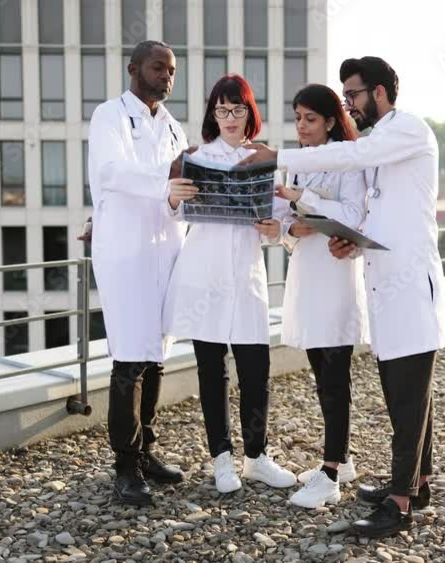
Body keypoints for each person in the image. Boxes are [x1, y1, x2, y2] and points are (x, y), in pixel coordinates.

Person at [238, 57, 445, 537]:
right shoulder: (379, 147)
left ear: (378, 92)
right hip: (383, 283)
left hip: (410, 286)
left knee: (409, 397)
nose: (348, 104)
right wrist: (350, 242)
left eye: (352, 94)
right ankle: (417, 484)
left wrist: (278, 156)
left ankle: (397, 506)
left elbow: (348, 157)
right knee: (408, 395)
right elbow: (374, 216)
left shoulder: (408, 131)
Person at [162, 74, 297, 495]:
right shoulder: (196, 156)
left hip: (246, 274)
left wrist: (274, 228)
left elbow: (277, 225)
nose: (230, 117)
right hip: (204, 274)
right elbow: (174, 214)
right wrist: (172, 197)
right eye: (222, 109)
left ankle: (256, 457)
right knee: (211, 369)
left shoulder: (262, 157)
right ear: (212, 114)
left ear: (249, 113)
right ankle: (222, 458)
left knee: (256, 369)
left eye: (238, 109)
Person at [86, 40, 192, 506]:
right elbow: (111, 173)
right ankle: (125, 467)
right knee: (129, 358)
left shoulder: (174, 127)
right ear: (134, 69)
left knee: (155, 355)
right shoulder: (109, 116)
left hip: (167, 247)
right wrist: (166, 183)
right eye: (158, 68)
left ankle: (147, 451)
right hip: (126, 252)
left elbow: (182, 189)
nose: (167, 76)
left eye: (172, 70)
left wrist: (178, 193)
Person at [274, 84, 369, 509]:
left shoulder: (347, 161)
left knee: (335, 380)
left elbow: (352, 216)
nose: (302, 127)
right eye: (297, 118)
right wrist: (294, 227)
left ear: (331, 122)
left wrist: (304, 201)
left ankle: (329, 475)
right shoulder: (296, 165)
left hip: (335, 278)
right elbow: (284, 224)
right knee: (320, 373)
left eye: (310, 119)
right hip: (307, 274)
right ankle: (342, 460)